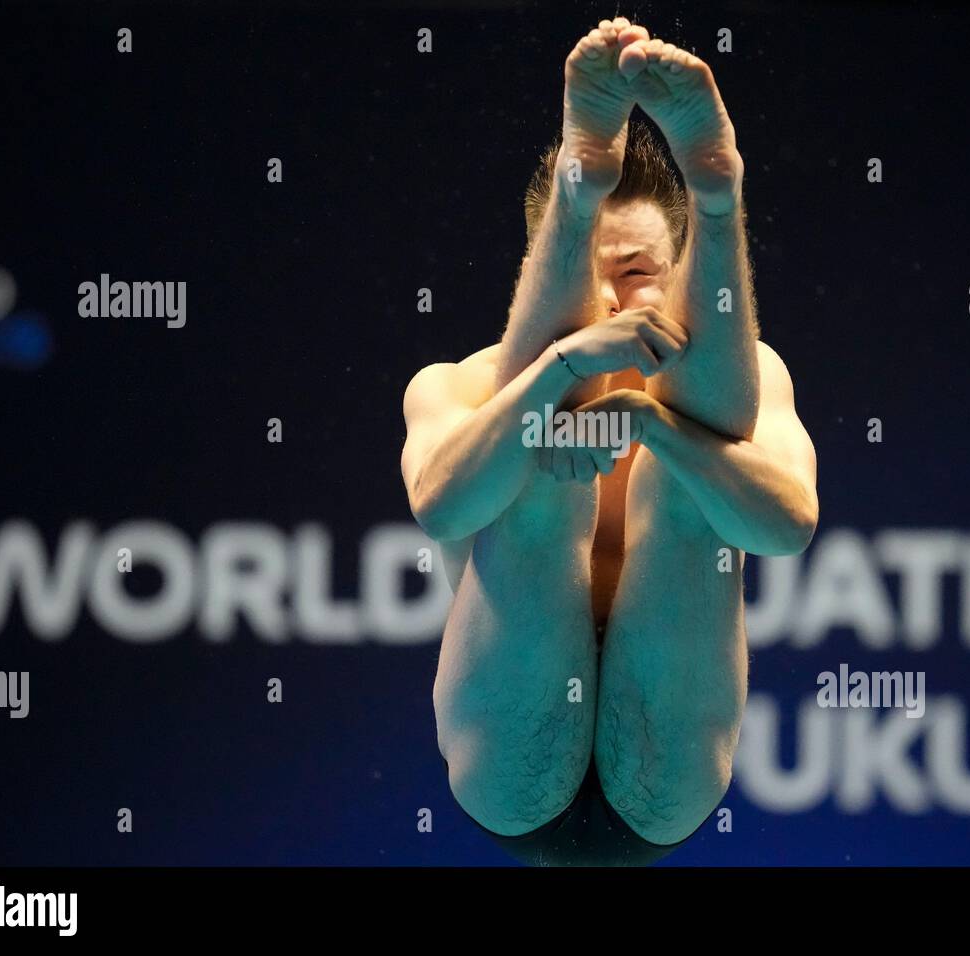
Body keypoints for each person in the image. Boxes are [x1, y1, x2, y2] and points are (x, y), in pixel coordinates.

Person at [400, 17, 818, 865]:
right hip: (513, 768)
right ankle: (578, 178)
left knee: (683, 483)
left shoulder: (753, 375)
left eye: (635, 273)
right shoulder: (460, 381)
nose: (611, 298)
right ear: (542, 265)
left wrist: (657, 424)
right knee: (541, 475)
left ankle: (716, 190)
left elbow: (785, 528)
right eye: (586, 266)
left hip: (662, 777)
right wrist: (557, 365)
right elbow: (441, 510)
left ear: (676, 273)